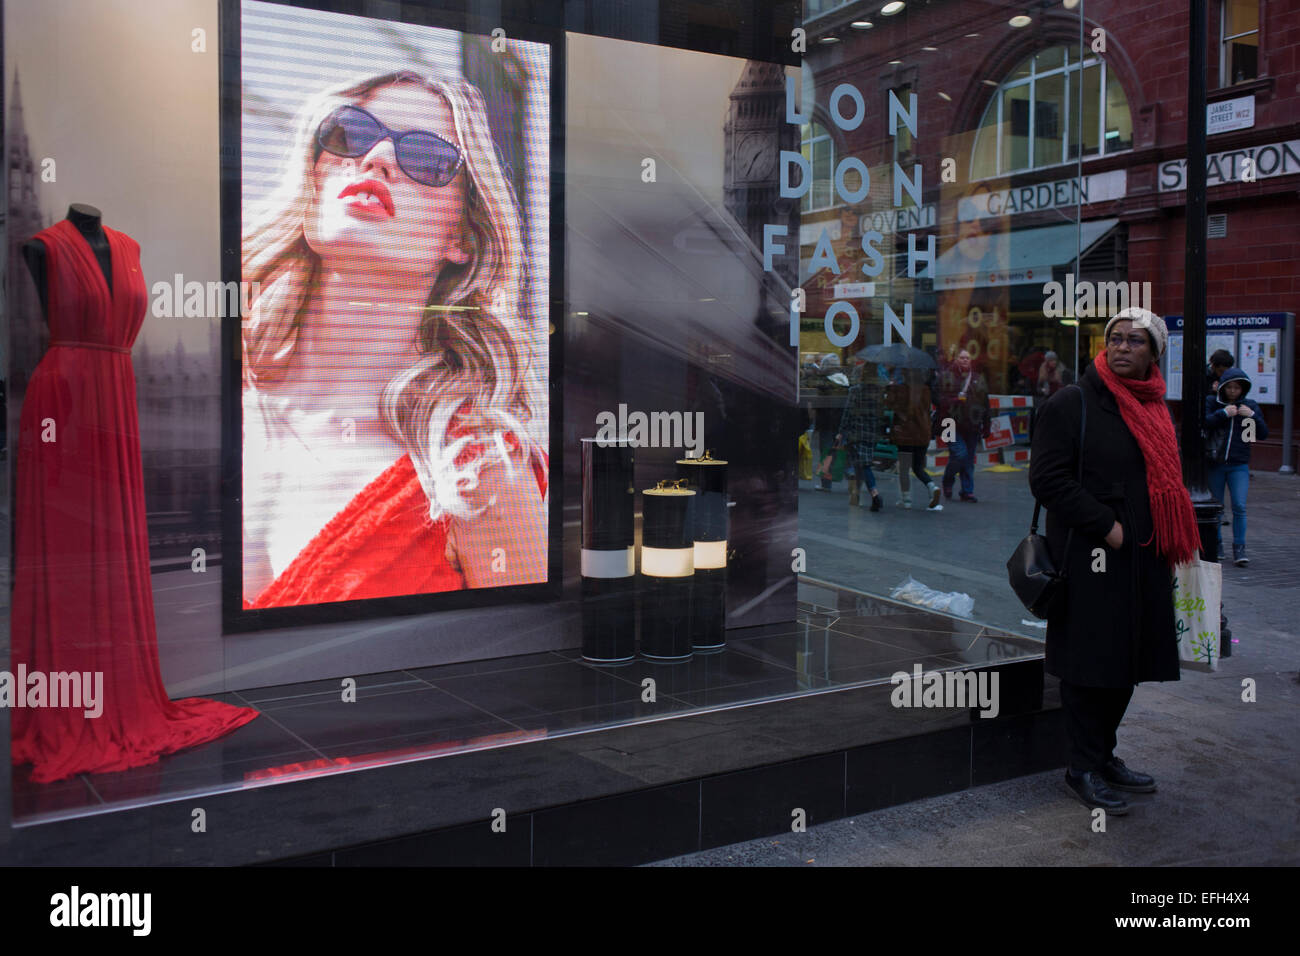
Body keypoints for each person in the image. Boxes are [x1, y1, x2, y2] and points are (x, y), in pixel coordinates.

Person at [241, 70, 548, 608]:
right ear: (314, 174)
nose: (377, 155)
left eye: (427, 157)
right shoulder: (219, 403)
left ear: (462, 239)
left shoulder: (477, 467)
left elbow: (520, 661)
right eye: (351, 134)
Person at [1029, 307, 1200, 815]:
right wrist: (1108, 526)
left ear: (1154, 353)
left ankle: (1103, 756)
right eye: (1116, 339)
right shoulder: (1072, 402)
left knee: (1129, 660)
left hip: (1145, 556)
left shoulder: (1154, 407)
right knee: (1090, 664)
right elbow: (1047, 480)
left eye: (1136, 341)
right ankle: (1080, 767)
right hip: (1091, 555)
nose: (1123, 347)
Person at [1204, 366, 1268, 565]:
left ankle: (1239, 547)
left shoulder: (1249, 406)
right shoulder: (1212, 402)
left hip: (1239, 465)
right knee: (1217, 508)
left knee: (1239, 506)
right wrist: (1223, 413)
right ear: (1223, 387)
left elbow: (1261, 434)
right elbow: (1204, 423)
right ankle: (1217, 544)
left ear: (1243, 389)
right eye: (1229, 387)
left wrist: (1252, 416)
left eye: (1237, 388)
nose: (1233, 391)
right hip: (1216, 463)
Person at [885, 367, 942, 510]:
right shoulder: (926, 390)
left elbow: (889, 405)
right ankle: (931, 486)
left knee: (904, 468)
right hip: (923, 434)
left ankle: (907, 500)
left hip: (906, 435)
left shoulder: (900, 389)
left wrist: (890, 388)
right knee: (918, 467)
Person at [936, 349, 989, 502]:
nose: (965, 360)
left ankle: (967, 491)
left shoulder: (978, 379)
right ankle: (948, 480)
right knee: (960, 454)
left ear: (971, 360)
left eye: (967, 357)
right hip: (949, 423)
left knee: (968, 458)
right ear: (956, 359)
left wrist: (986, 424)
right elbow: (937, 399)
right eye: (962, 357)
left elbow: (985, 402)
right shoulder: (946, 376)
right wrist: (954, 400)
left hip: (972, 423)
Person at [836, 367, 884, 511]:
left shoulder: (855, 390)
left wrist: (841, 432)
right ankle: (855, 495)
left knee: (862, 466)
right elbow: (880, 414)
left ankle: (874, 493)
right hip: (871, 434)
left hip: (856, 433)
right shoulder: (878, 392)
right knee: (862, 464)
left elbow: (848, 412)